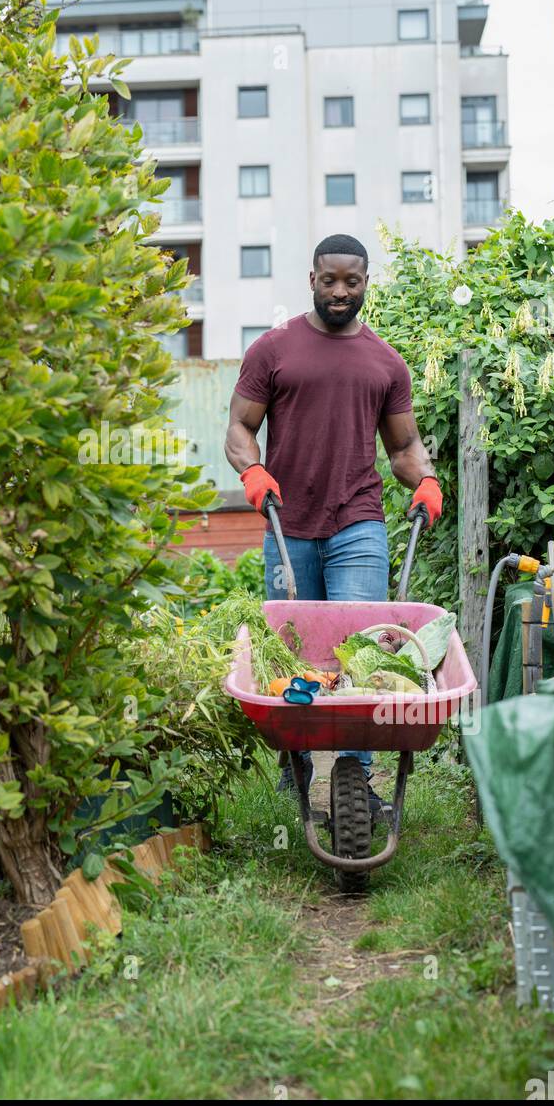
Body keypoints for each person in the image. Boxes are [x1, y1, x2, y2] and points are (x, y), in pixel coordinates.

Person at [224, 233, 442, 817]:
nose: (340, 291)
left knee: (362, 654)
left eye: (352, 281)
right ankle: (294, 772)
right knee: (294, 653)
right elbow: (240, 430)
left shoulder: (385, 362)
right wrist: (253, 473)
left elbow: (403, 446)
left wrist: (425, 480)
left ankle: (355, 775)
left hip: (358, 524)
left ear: (366, 282)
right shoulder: (274, 350)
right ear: (312, 280)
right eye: (330, 280)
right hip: (287, 522)